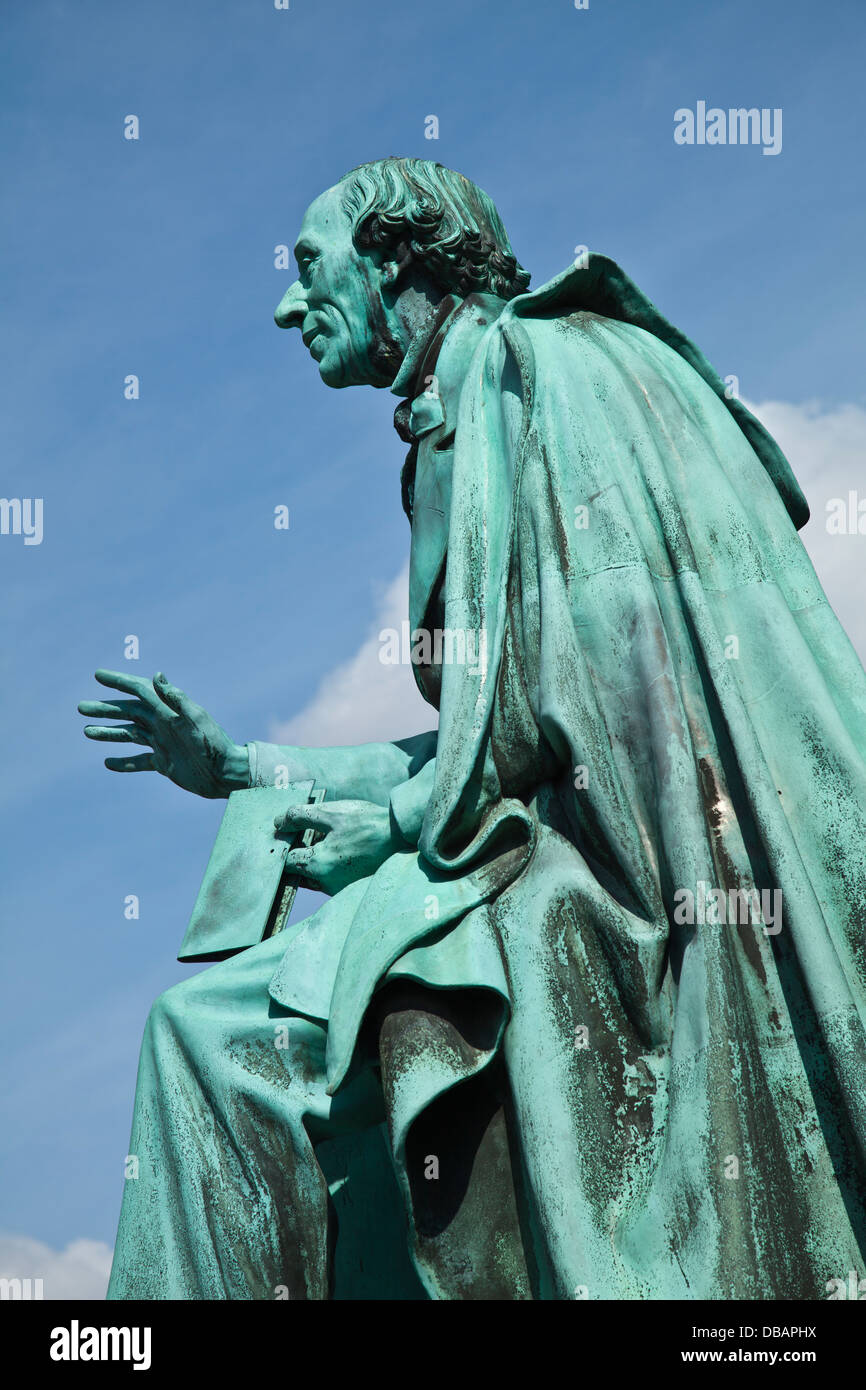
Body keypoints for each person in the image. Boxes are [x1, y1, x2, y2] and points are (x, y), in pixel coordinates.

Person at [80, 157, 866, 1300]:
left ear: (394, 256)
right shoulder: (471, 411)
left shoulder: (542, 373)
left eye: (308, 267)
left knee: (210, 1042)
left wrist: (403, 824)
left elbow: (590, 691)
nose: (286, 305)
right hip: (556, 851)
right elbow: (487, 727)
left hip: (626, 891)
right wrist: (246, 766)